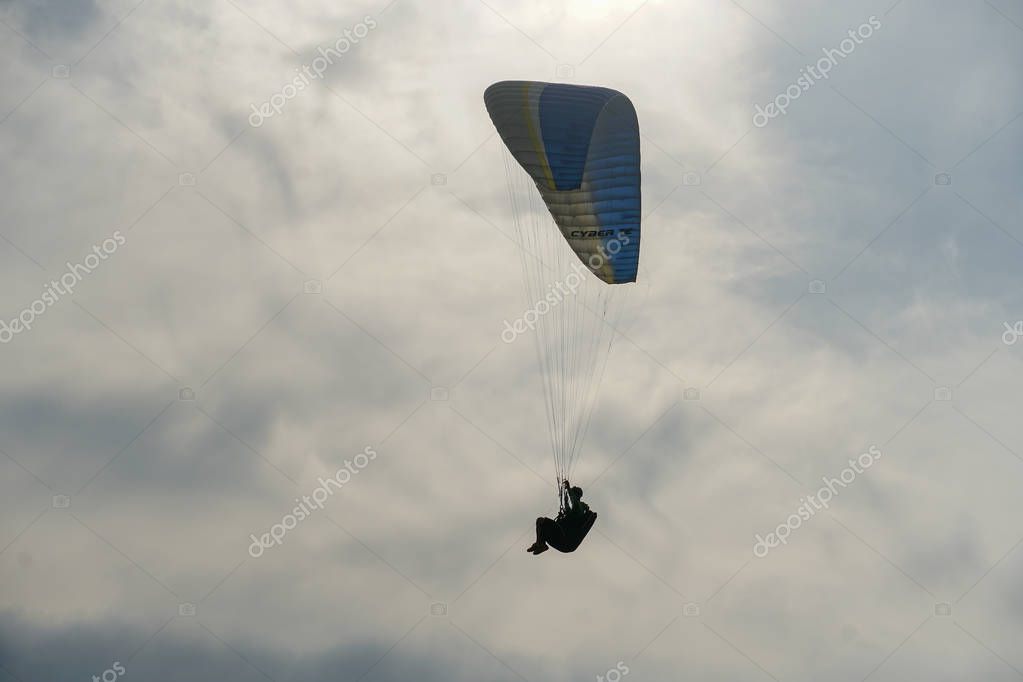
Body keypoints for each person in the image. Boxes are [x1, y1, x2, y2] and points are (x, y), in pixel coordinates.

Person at [527, 481, 597, 555]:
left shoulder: (578, 506)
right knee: (543, 527)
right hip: (563, 543)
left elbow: (574, 501)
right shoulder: (574, 510)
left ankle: (540, 544)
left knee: (540, 521)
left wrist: (568, 488)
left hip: (565, 541)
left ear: (576, 495)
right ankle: (540, 543)